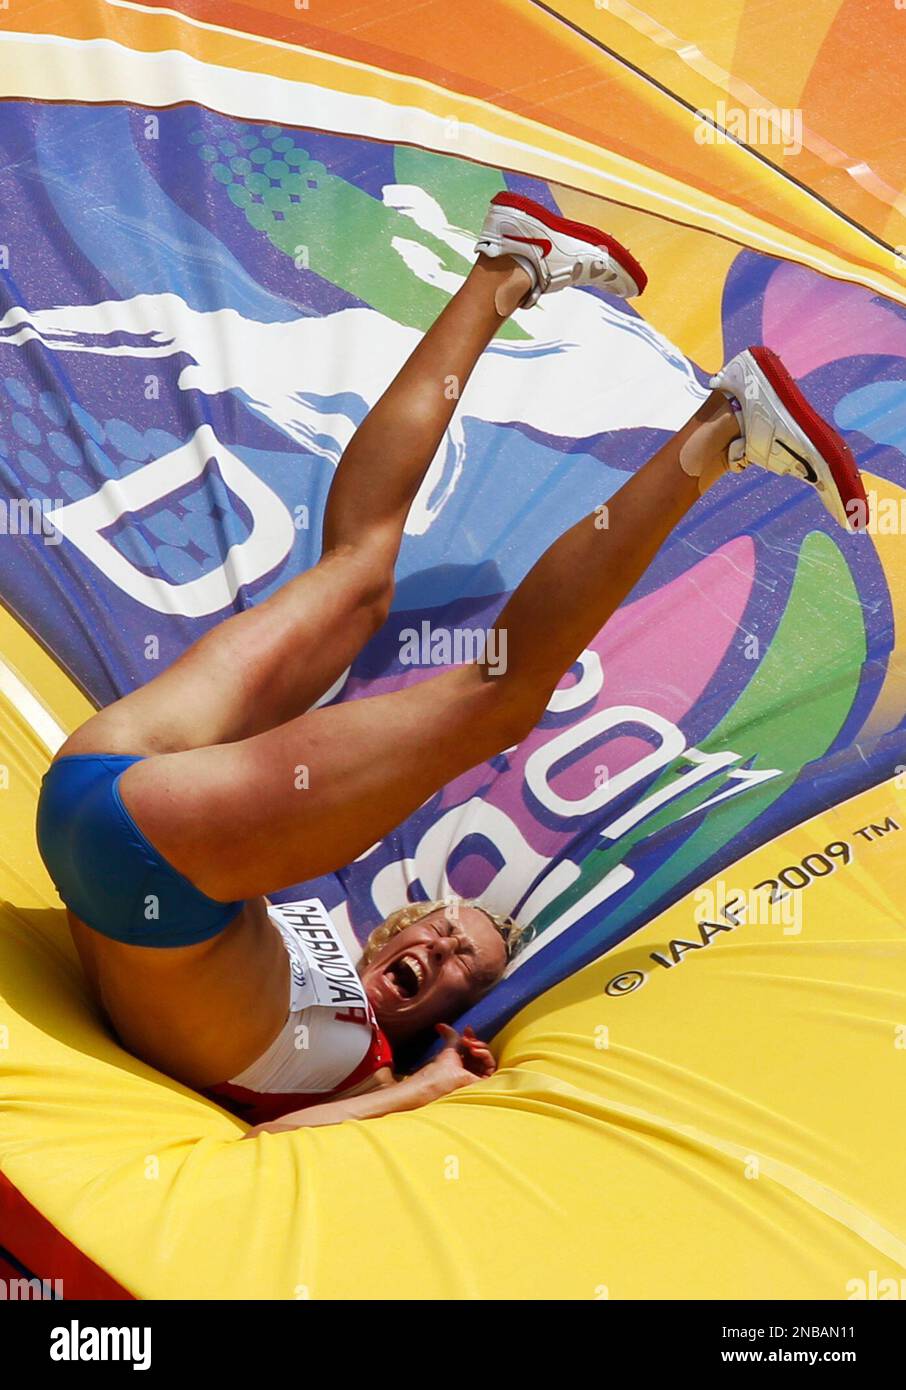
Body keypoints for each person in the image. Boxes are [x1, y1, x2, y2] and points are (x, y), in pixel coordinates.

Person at [35, 193, 867, 1136]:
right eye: (443, 929)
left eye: (461, 962)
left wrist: (423, 1086)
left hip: (120, 820)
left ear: (446, 1012)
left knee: (494, 695)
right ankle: (509, 273)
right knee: (362, 582)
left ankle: (715, 426)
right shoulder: (325, 937)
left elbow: (266, 1143)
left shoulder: (362, 1077)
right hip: (121, 819)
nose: (438, 940)